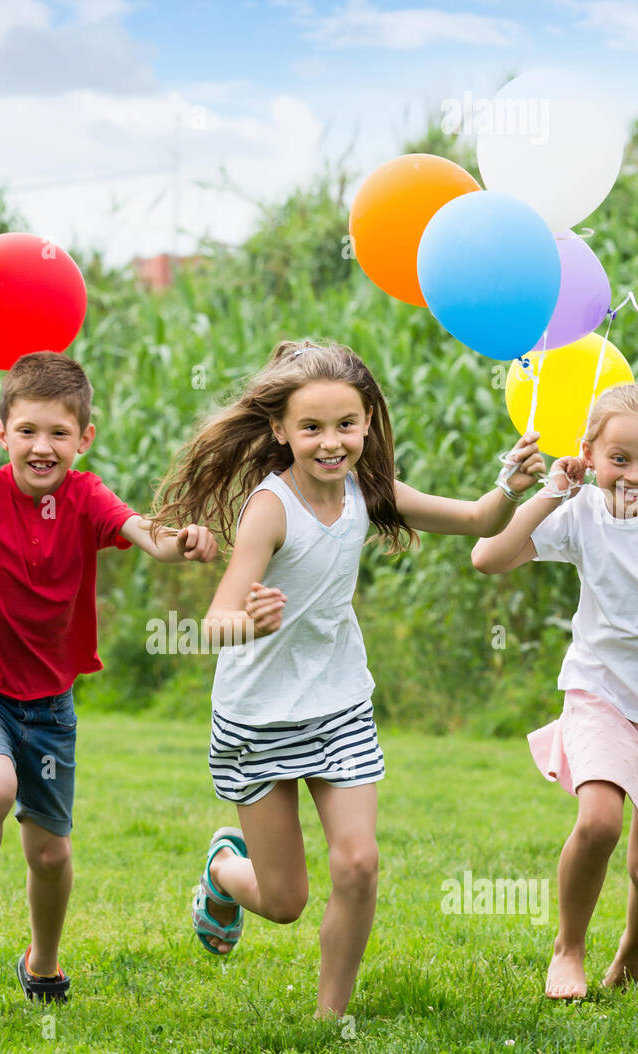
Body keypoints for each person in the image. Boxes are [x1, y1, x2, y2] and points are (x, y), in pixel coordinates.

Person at [150, 339, 544, 1017]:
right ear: (280, 431)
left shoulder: (368, 491)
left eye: (345, 425)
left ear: (366, 423)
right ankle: (222, 868)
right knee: (284, 901)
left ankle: (330, 1018)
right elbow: (215, 620)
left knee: (358, 862)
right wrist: (248, 620)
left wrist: (512, 483)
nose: (330, 442)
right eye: (311, 427)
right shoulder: (270, 509)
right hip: (258, 717)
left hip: (339, 706)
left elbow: (478, 520)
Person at [0, 346, 217, 1004]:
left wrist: (186, 539)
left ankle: (43, 962)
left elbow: (145, 533)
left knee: (50, 854)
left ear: (85, 436)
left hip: (49, 702)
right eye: (27, 430)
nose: (42, 447)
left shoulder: (86, 497)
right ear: (2, 434)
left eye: (59, 432)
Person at [471, 381, 638, 999]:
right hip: (598, 689)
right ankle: (568, 950)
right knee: (598, 822)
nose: (634, 475)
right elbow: (489, 557)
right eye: (618, 459)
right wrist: (551, 492)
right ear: (588, 452)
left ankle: (633, 949)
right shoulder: (581, 509)